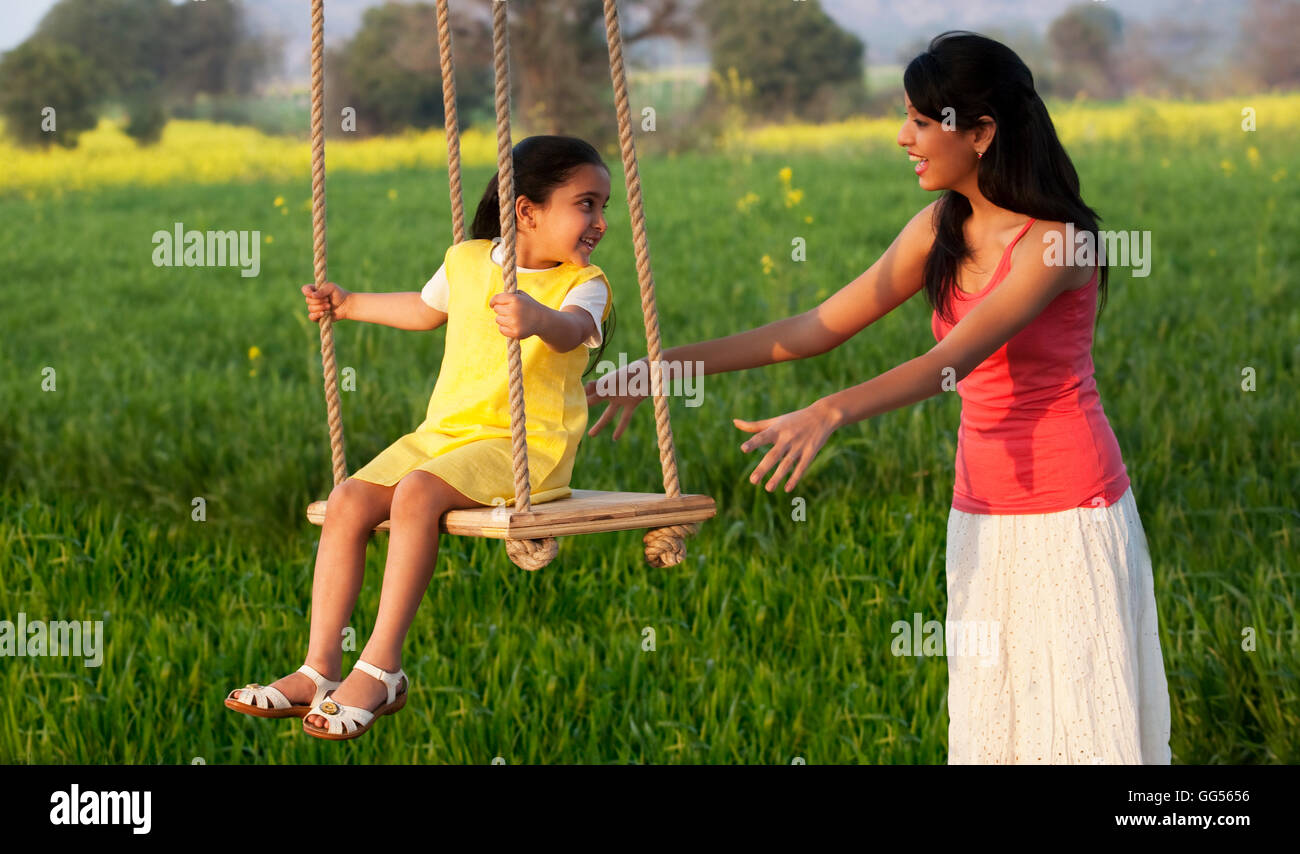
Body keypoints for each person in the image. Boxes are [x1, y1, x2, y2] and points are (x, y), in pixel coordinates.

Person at [586, 32, 1171, 764]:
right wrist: (665, 365)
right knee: (1001, 724)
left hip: (1067, 511)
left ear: (981, 133)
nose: (904, 138)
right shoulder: (940, 229)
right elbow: (814, 328)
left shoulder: (1057, 245)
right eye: (907, 117)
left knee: (1075, 723)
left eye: (924, 122)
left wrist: (831, 410)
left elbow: (947, 363)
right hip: (982, 507)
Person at [225, 136, 616, 740]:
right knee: (349, 499)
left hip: (526, 447)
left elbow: (573, 331)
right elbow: (426, 308)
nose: (599, 222)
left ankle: (380, 667)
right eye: (586, 204)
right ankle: (318, 667)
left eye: (602, 206)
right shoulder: (466, 260)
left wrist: (538, 319)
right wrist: (349, 303)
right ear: (527, 210)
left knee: (415, 493)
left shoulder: (583, 283)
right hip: (445, 436)